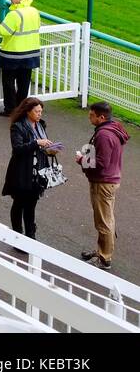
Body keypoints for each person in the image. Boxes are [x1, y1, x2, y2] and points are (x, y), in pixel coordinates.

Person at [77, 102, 129, 271]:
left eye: (92, 115)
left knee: (104, 221)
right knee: (107, 219)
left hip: (103, 182)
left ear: (102, 117)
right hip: (111, 180)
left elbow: (101, 163)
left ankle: (104, 258)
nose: (89, 117)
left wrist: (82, 160)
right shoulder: (114, 129)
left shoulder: (103, 135)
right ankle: (102, 251)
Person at [2, 96, 58, 239]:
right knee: (19, 203)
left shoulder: (40, 125)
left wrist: (50, 150)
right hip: (22, 172)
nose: (40, 114)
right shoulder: (18, 126)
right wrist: (37, 143)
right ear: (27, 111)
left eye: (41, 111)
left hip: (37, 172)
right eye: (37, 111)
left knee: (31, 204)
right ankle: (17, 234)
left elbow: (42, 147)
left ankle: (30, 236)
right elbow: (17, 149)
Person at [0, 0, 41, 116]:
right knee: (24, 84)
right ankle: (21, 109)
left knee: (8, 84)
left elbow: (3, 31)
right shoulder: (34, 11)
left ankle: (10, 109)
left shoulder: (14, 14)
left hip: (12, 54)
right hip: (31, 53)